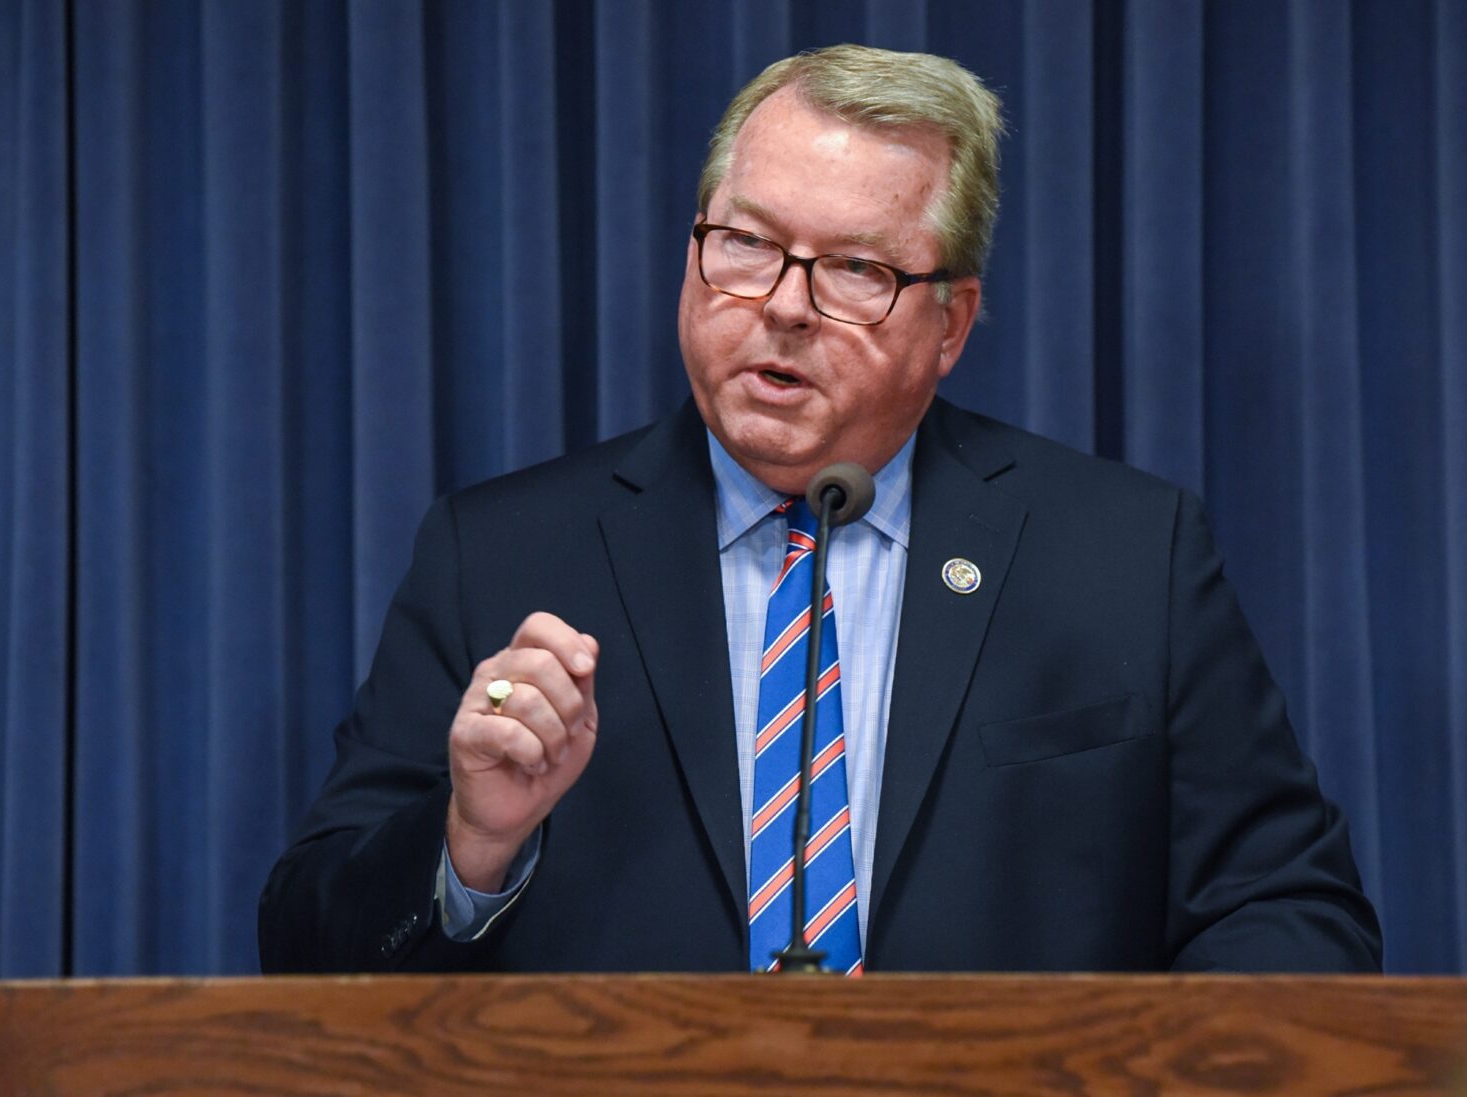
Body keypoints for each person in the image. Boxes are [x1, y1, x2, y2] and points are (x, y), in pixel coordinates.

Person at [259, 44, 1381, 975]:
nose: (783, 307)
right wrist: (473, 843)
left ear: (951, 323)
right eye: (744, 243)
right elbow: (307, 946)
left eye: (854, 269)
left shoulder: (1128, 557)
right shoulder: (498, 554)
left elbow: (1290, 913)